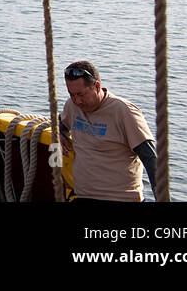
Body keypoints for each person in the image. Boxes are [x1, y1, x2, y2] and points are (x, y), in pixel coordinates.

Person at [61, 60, 157, 201]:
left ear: (97, 86)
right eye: (72, 94)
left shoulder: (124, 112)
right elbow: (61, 122)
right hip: (83, 196)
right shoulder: (72, 106)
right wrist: (59, 133)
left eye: (81, 95)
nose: (77, 101)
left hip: (120, 198)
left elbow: (150, 157)